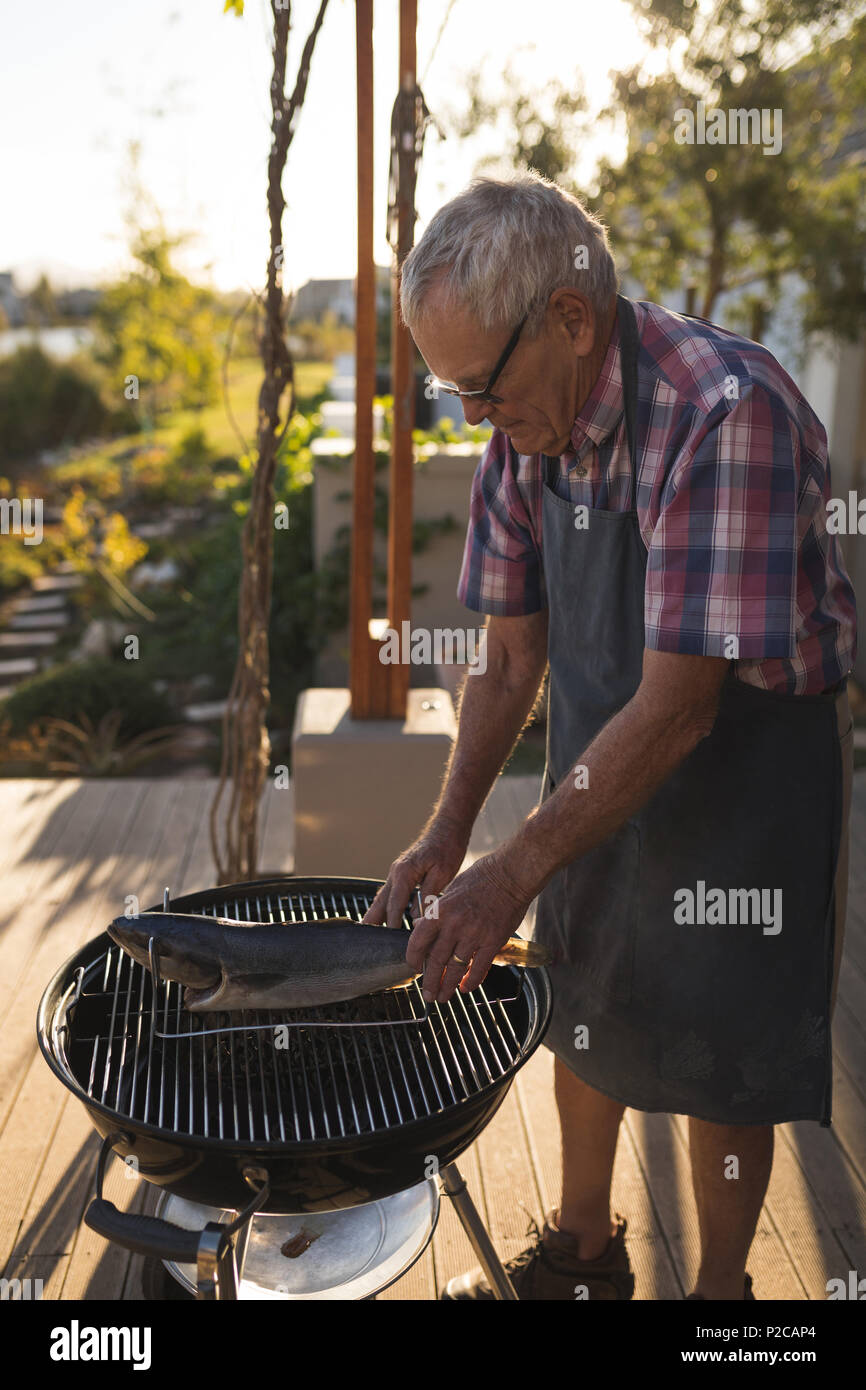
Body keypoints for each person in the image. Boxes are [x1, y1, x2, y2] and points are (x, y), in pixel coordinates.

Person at [362, 171, 857, 1301]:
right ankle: (582, 1259)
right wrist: (450, 836)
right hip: (599, 739)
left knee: (722, 1060)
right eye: (454, 398)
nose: (475, 420)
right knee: (579, 1005)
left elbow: (684, 702)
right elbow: (504, 658)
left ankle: (720, 1297)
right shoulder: (522, 427)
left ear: (570, 319)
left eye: (479, 389)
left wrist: (517, 864)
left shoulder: (723, 410)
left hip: (746, 768)